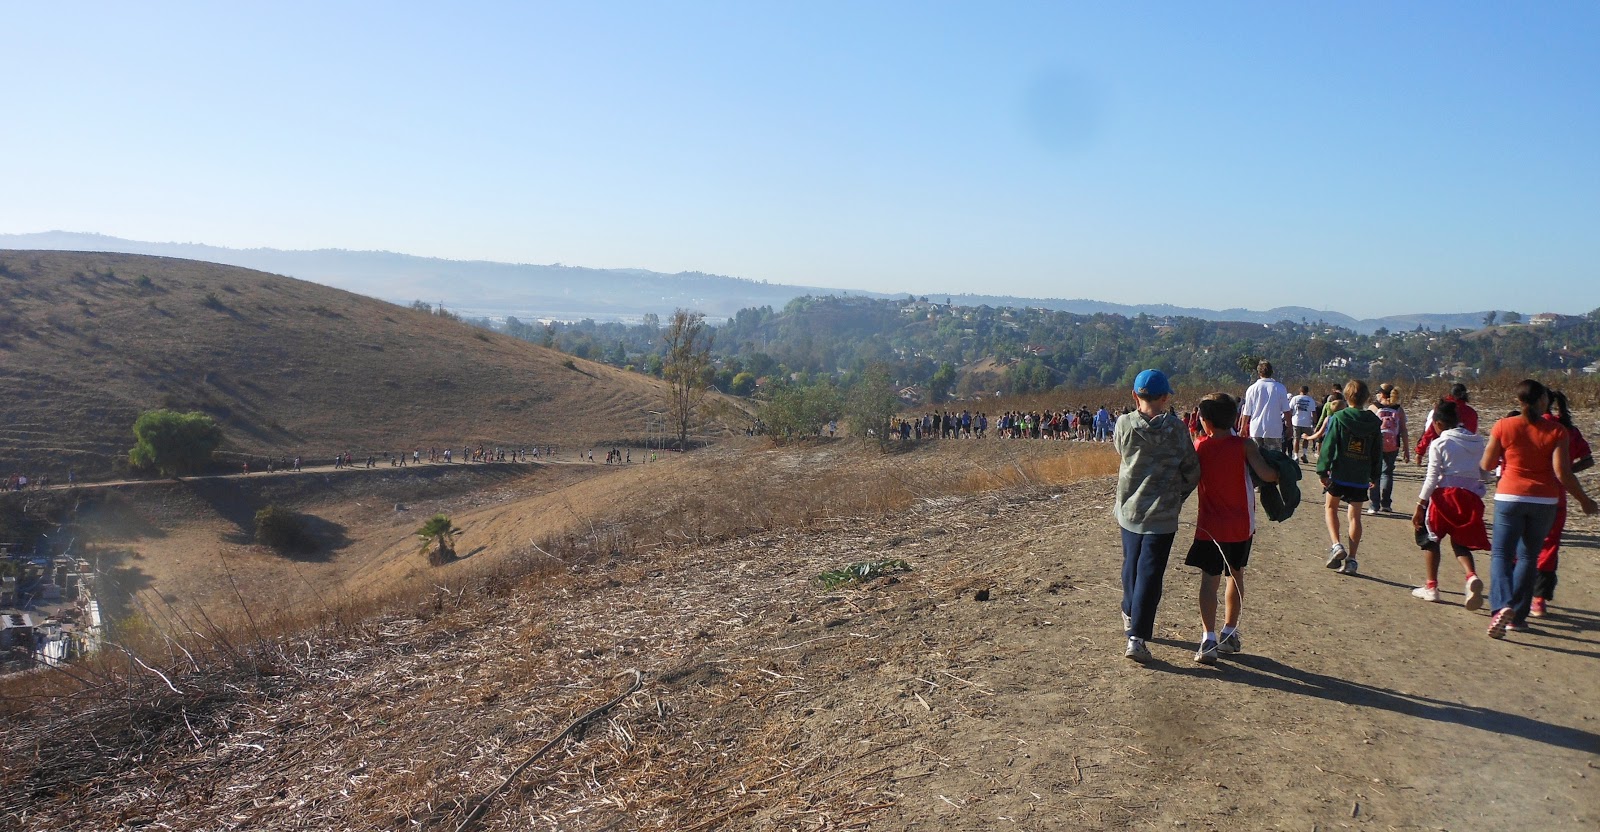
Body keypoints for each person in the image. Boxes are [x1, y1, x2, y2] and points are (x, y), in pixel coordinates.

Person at [1479, 380, 1599, 639]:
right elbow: (1562, 473)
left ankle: (1501, 606)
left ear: (1519, 400)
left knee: (1501, 554)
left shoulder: (1503, 425)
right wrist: (1584, 500)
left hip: (1509, 496)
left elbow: (1487, 464)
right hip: (1545, 500)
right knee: (1529, 557)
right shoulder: (1557, 431)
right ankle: (1518, 617)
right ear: (1544, 400)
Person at [1114, 369, 1201, 663]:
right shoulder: (1177, 430)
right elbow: (1192, 470)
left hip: (1129, 511)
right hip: (1162, 515)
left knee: (1131, 565)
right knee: (1150, 574)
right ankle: (1136, 637)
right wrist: (1178, 496)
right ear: (1165, 398)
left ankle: (1128, 611)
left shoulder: (1124, 424)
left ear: (1134, 395)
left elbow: (1121, 453)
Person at [1186, 393, 1277, 664]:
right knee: (1235, 577)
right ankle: (1229, 632)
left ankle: (1208, 638)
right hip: (1240, 527)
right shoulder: (1245, 446)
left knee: (1208, 581)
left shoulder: (1199, 446)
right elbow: (1267, 475)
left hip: (1209, 528)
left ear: (1205, 422)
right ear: (1234, 418)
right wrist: (1280, 472)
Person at [1409, 400, 1489, 609]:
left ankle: (1431, 587)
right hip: (1470, 497)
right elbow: (1485, 472)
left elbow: (1432, 477)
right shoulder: (1478, 442)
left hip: (1445, 496)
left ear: (1437, 423)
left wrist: (1420, 504)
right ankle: (1471, 576)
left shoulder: (1440, 444)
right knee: (1460, 541)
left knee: (1431, 539)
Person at [1532, 392, 1593, 617]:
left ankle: (1515, 593)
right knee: (1549, 547)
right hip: (1557, 496)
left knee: (1522, 542)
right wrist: (1566, 473)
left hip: (1528, 491)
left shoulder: (1532, 425)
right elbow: (1588, 459)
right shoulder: (1569, 430)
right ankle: (1539, 600)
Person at [1316, 379, 1382, 576]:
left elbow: (1328, 446)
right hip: (1360, 476)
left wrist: (1322, 470)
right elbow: (1376, 452)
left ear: (1346, 397)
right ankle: (1352, 559)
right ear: (1366, 398)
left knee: (1331, 508)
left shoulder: (1338, 418)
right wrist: (1375, 475)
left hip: (1339, 473)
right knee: (1355, 517)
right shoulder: (1373, 422)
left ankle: (1336, 545)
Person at [1365, 384, 1410, 514]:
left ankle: (1374, 505)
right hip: (1393, 445)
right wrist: (1406, 450)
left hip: (1375, 445)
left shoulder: (1373, 407)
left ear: (1382, 394)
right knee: (1387, 473)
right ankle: (1386, 503)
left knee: (1374, 474)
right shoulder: (1398, 409)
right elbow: (1403, 430)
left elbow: (1367, 427)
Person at [1416, 383, 1479, 460]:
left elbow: (1431, 431)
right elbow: (1471, 434)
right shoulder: (1471, 412)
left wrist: (1420, 451)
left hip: (1442, 448)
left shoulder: (1442, 409)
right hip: (1464, 451)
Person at [1238, 361, 1291, 451]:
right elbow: (1286, 410)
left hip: (1256, 429)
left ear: (1259, 373)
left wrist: (1243, 428)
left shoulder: (1252, 388)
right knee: (1274, 459)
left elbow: (1246, 411)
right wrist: (1289, 427)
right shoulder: (1280, 388)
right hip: (1274, 430)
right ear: (1271, 372)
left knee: (1257, 459)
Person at [1288, 385, 1318, 463]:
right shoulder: (1311, 400)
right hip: (1307, 422)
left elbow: (1290, 410)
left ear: (1300, 390)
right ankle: (1304, 454)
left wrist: (1288, 420)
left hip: (1296, 421)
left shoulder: (1295, 398)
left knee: (1296, 439)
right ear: (1307, 391)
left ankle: (1295, 456)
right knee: (1306, 439)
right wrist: (1315, 422)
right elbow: (1313, 412)